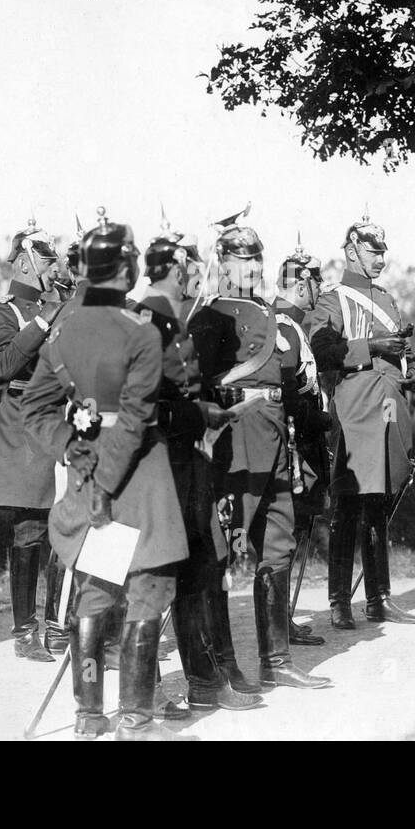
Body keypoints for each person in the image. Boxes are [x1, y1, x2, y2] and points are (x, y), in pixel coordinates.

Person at [20, 212, 191, 740]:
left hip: (88, 474)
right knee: (149, 590)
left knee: (94, 595)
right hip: (138, 480)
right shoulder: (140, 330)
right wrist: (107, 482)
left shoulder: (65, 329)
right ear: (127, 267)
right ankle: (137, 722)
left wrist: (75, 453)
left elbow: (35, 409)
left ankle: (89, 717)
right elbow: (138, 418)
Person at [189, 222, 332, 690]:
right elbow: (198, 383)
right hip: (235, 436)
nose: (250, 267)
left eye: (256, 259)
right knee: (223, 550)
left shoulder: (272, 315)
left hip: (275, 432)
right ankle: (218, 665)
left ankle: (276, 660)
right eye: (240, 259)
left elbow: (289, 377)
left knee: (278, 543)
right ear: (222, 262)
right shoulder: (210, 316)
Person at [136, 226, 262, 712]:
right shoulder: (146, 322)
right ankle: (144, 693)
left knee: (199, 566)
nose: (197, 273)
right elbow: (144, 407)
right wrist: (202, 413)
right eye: (190, 265)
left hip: (187, 461)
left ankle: (205, 684)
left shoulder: (173, 322)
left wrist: (211, 403)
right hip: (156, 463)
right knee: (156, 574)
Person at [308, 215, 415, 630]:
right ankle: (339, 600)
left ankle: (379, 598)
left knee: (380, 499)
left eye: (383, 252)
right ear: (352, 250)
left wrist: (409, 367)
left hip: (389, 405)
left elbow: (399, 350)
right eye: (373, 252)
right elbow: (321, 348)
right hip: (355, 406)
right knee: (350, 500)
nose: (380, 259)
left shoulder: (388, 299)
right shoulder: (332, 298)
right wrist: (370, 345)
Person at [0, 222, 66, 662]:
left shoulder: (65, 304)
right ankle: (25, 631)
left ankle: (60, 624)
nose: (56, 268)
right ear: (27, 263)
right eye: (48, 262)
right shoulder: (4, 311)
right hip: (23, 423)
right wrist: (46, 318)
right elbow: (5, 363)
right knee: (29, 532)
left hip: (64, 419)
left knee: (70, 528)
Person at [273, 239, 332, 647]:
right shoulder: (282, 326)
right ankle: (278, 624)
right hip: (296, 447)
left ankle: (284, 619)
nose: (320, 290)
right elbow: (289, 397)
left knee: (295, 536)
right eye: (316, 283)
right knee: (286, 537)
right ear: (301, 284)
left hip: (306, 443)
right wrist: (322, 419)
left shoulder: (293, 325)